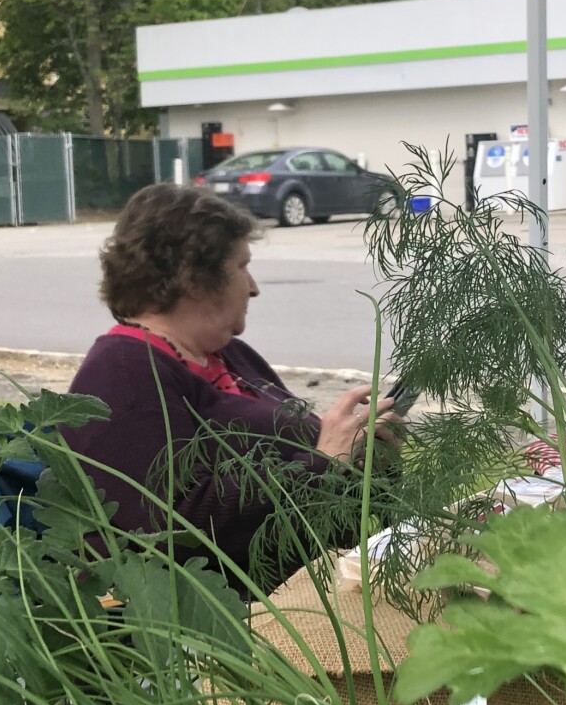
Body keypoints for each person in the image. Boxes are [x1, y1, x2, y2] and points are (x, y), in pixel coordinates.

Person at [62, 183, 390, 586]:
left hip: (317, 574)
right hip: (233, 613)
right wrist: (323, 463)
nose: (253, 287)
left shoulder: (231, 355)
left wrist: (366, 458)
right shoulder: (123, 378)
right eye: (241, 267)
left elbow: (304, 466)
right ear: (194, 279)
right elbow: (169, 529)